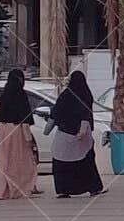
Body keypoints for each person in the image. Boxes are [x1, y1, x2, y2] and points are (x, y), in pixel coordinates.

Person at [46, 71, 107, 199]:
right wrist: (81, 131)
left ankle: (63, 190)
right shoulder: (85, 95)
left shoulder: (65, 96)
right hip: (82, 136)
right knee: (87, 163)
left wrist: (47, 130)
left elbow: (55, 113)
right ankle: (93, 188)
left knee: (61, 163)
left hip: (63, 135)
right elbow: (86, 114)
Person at [0, 69, 41, 199]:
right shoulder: (20, 94)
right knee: (20, 160)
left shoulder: (5, 94)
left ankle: (3, 190)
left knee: (4, 160)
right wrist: (28, 138)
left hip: (4, 129)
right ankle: (21, 188)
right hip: (17, 130)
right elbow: (24, 117)